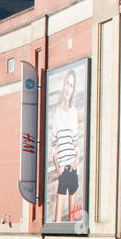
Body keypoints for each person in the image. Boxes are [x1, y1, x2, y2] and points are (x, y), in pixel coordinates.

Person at [52, 66, 80, 223]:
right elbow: (53, 145)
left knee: (73, 217)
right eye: (67, 84)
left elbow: (76, 142)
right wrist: (58, 169)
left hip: (73, 167)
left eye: (72, 85)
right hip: (62, 169)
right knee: (57, 219)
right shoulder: (56, 112)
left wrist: (75, 164)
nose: (69, 88)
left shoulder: (74, 111)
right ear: (63, 85)